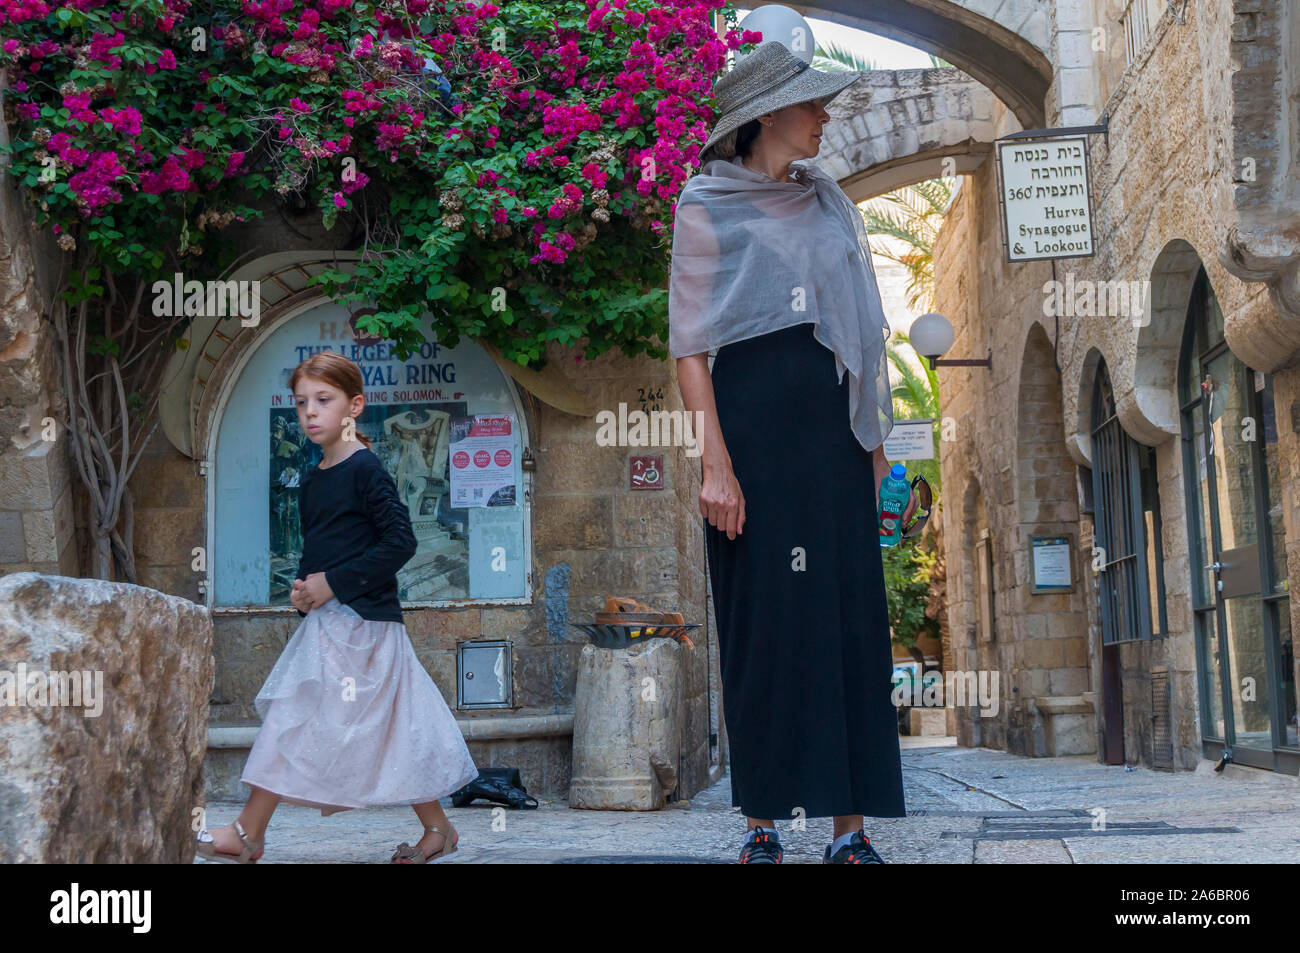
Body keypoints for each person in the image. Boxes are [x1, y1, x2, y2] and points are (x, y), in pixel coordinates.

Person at [669, 41, 919, 864]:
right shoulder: (703, 205)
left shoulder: (827, 203)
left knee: (846, 618)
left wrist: (877, 454)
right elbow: (691, 347)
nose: (824, 116)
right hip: (749, 434)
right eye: (812, 104)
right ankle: (764, 819)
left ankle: (851, 830)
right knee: (760, 624)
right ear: (765, 115)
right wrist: (715, 462)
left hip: (832, 438)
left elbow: (858, 334)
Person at [195, 351, 479, 864]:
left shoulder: (365, 469)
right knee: (324, 717)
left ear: (354, 406)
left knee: (320, 718)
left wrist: (334, 585)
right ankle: (438, 828)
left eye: (323, 401)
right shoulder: (312, 477)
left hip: (367, 623)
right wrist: (306, 591)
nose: (310, 413)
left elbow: (400, 542)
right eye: (302, 402)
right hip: (331, 623)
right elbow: (319, 550)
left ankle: (249, 833)